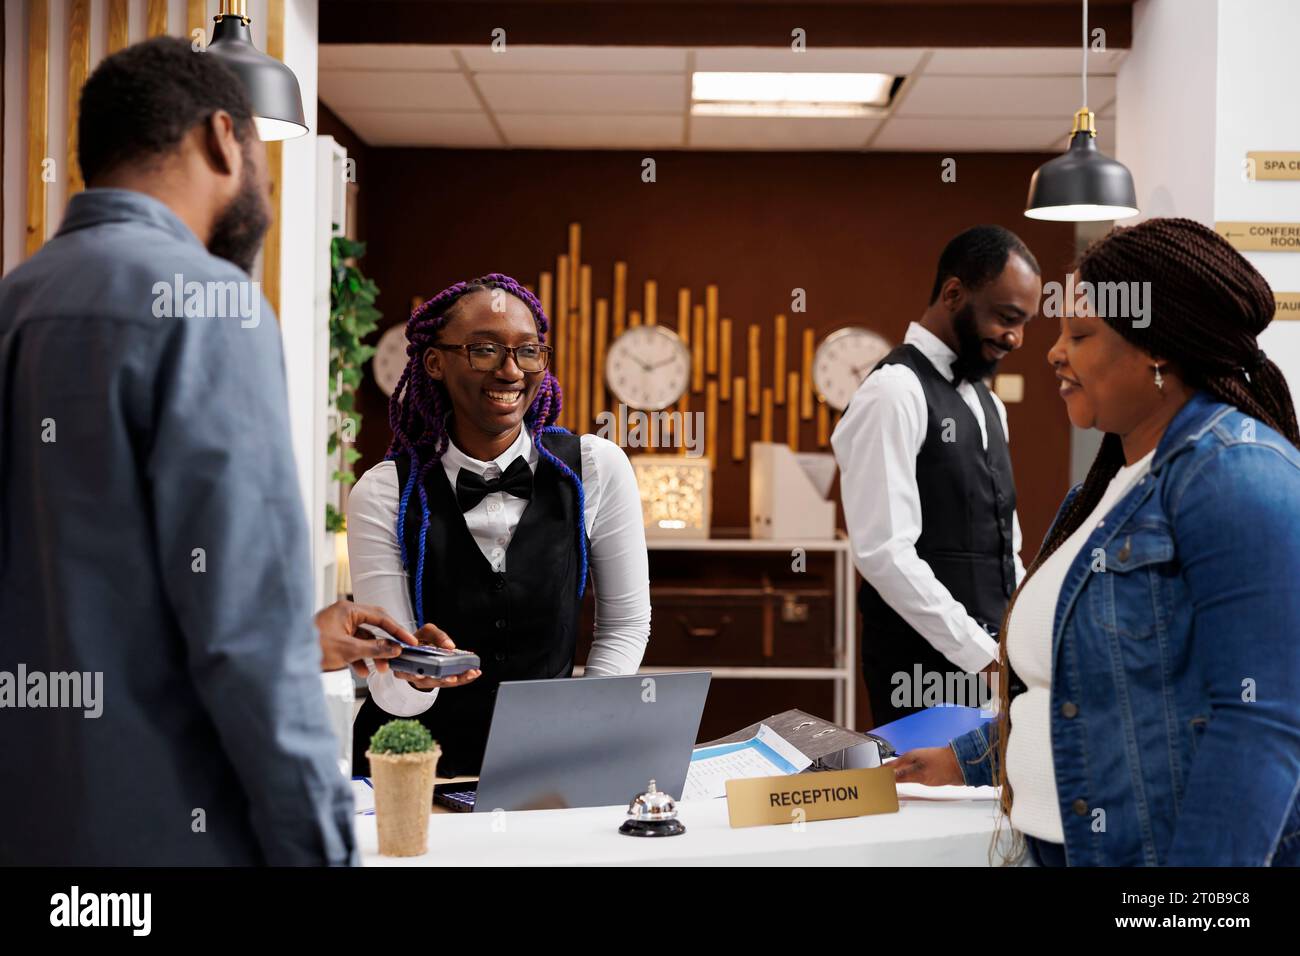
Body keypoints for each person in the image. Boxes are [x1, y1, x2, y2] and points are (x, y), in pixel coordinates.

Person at [0, 37, 386, 865]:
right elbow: (246, 642)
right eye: (262, 162)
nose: (266, 193)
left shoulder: (14, 302)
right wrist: (322, 848)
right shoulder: (212, 308)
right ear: (222, 138)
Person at [893, 218, 1300, 867]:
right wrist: (968, 759)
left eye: (1080, 334)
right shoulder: (1105, 491)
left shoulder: (1239, 474)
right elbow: (1097, 692)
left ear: (1158, 350)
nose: (1053, 352)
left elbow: (1263, 727)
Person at [348, 274, 651, 777]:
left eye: (528, 351)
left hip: (548, 765)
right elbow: (395, 688)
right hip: (410, 763)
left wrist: (588, 719)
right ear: (435, 362)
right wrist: (419, 677)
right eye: (484, 350)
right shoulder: (383, 493)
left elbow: (624, 624)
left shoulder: (595, 469)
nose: (511, 371)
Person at [832, 226, 1041, 725]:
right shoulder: (893, 392)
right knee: (929, 804)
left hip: (998, 669)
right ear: (953, 293)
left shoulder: (989, 402)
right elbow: (884, 554)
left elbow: (1004, 548)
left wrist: (1030, 642)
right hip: (921, 675)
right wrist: (984, 658)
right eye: (1006, 318)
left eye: (1024, 323)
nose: (1016, 338)